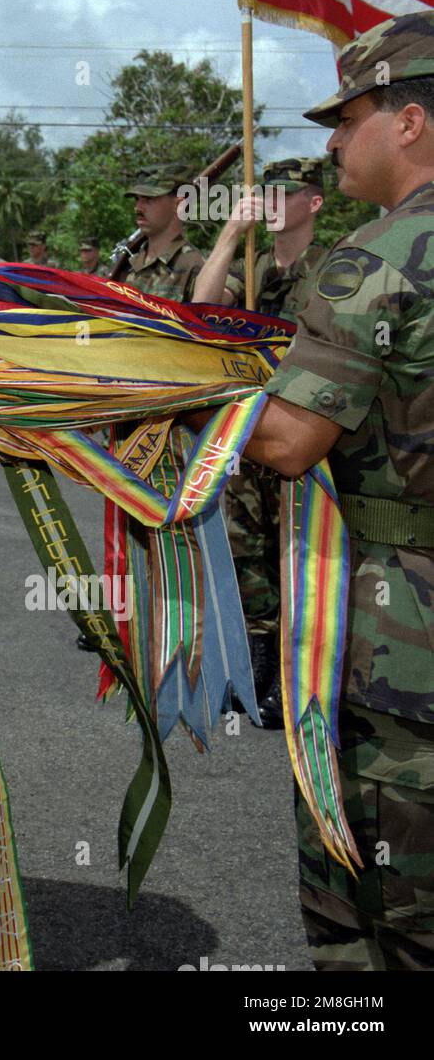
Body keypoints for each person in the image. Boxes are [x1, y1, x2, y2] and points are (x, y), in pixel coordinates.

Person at [217, 11, 434, 970]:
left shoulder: (378, 259)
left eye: (348, 118)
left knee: (378, 906)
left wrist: (156, 396)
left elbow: (291, 439)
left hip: (398, 632)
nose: (333, 140)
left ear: (411, 121)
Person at [192, 158, 329, 725]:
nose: (272, 202)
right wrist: (229, 235)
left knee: (298, 556)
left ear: (314, 203)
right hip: (250, 434)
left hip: (305, 435)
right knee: (248, 555)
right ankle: (253, 670)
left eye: (284, 193)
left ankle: (295, 680)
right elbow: (201, 312)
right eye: (265, 193)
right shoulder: (252, 268)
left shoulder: (332, 266)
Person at [121, 163, 206, 302]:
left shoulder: (195, 267)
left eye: (148, 199)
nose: (138, 208)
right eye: (137, 199)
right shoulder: (128, 264)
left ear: (179, 205)